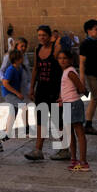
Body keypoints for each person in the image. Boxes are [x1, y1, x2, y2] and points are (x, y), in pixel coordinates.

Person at [27, 25, 64, 161]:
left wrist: (61, 92)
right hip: (41, 89)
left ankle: (65, 148)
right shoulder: (38, 49)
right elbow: (36, 69)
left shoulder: (56, 49)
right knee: (41, 120)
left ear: (49, 36)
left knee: (57, 120)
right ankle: (38, 150)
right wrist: (32, 88)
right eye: (39, 35)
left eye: (44, 35)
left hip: (54, 88)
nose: (41, 38)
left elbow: (62, 71)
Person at [57, 49, 88, 171]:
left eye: (65, 58)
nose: (62, 60)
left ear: (70, 60)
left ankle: (83, 161)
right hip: (67, 104)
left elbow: (80, 87)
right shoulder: (66, 72)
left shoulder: (70, 72)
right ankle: (74, 159)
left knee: (79, 133)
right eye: (60, 58)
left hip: (73, 104)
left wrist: (83, 91)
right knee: (70, 134)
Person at [0, 47, 28, 139]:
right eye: (21, 57)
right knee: (23, 107)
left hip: (13, 93)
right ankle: (26, 129)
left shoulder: (18, 68)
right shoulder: (11, 69)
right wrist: (17, 93)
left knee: (13, 112)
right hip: (8, 93)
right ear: (18, 59)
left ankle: (7, 132)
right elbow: (5, 83)